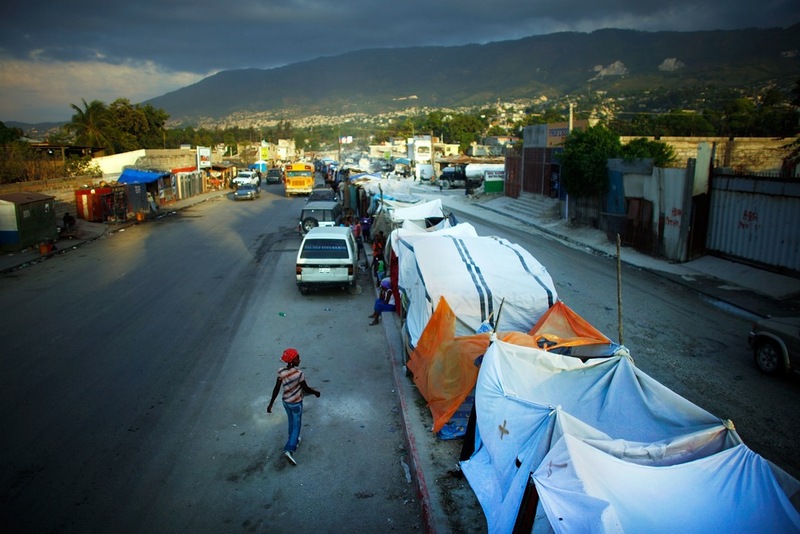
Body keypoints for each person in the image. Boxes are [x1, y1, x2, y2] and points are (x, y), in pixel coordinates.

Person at [267, 348, 321, 466]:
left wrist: (271, 403)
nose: (299, 360)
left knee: (291, 422)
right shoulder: (299, 374)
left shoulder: (281, 371)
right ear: (292, 361)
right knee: (297, 425)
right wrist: (315, 392)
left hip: (285, 402)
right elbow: (305, 388)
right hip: (296, 403)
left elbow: (276, 388)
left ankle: (294, 440)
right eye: (297, 358)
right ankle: (289, 449)